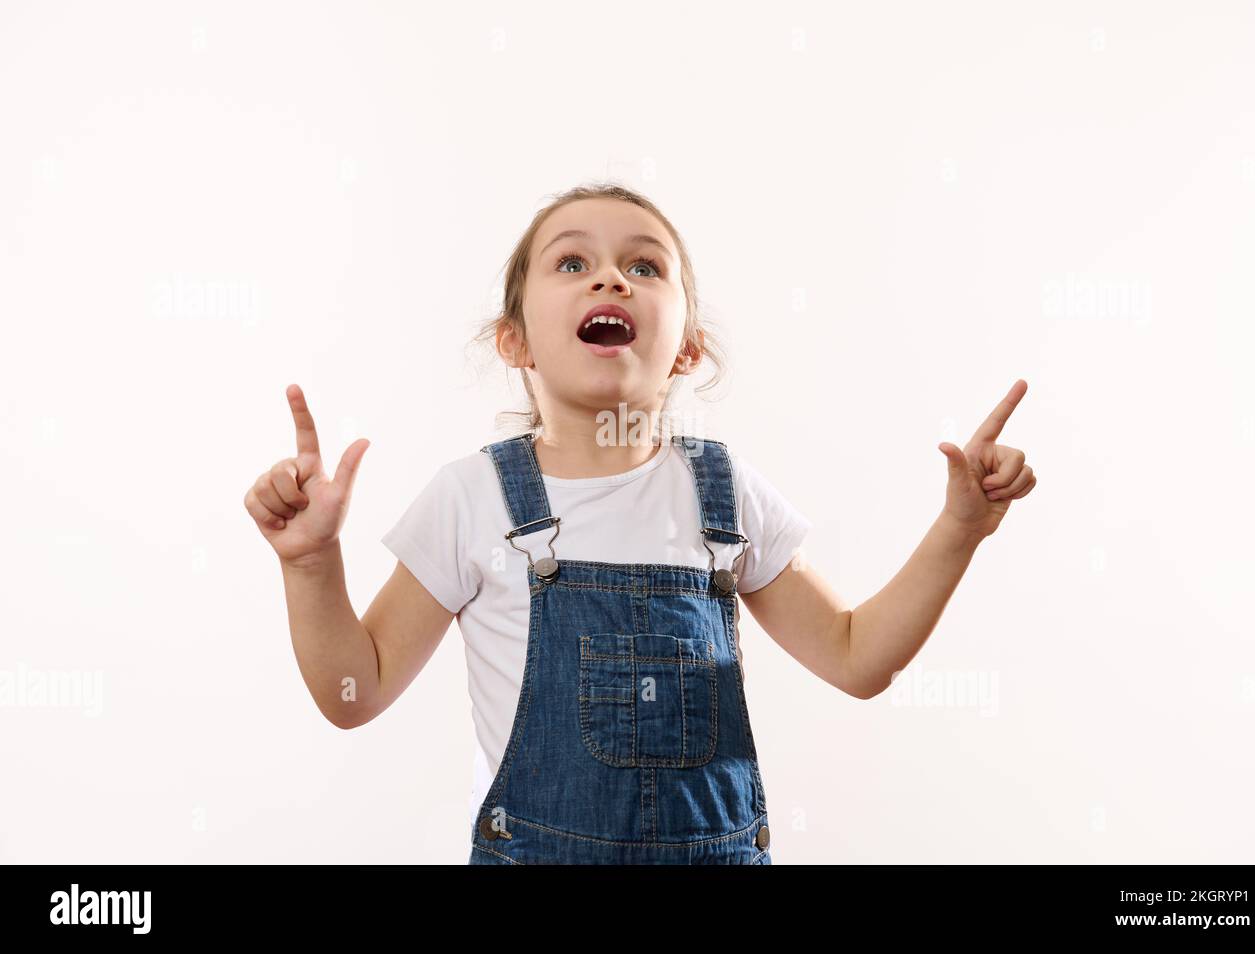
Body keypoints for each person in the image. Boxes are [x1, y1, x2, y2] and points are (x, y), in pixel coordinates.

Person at [243, 182, 1037, 864]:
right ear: (512, 338)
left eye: (644, 266)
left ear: (687, 349)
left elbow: (859, 660)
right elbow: (355, 691)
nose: (612, 279)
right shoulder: (471, 499)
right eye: (572, 263)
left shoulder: (726, 497)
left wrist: (959, 529)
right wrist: (309, 565)